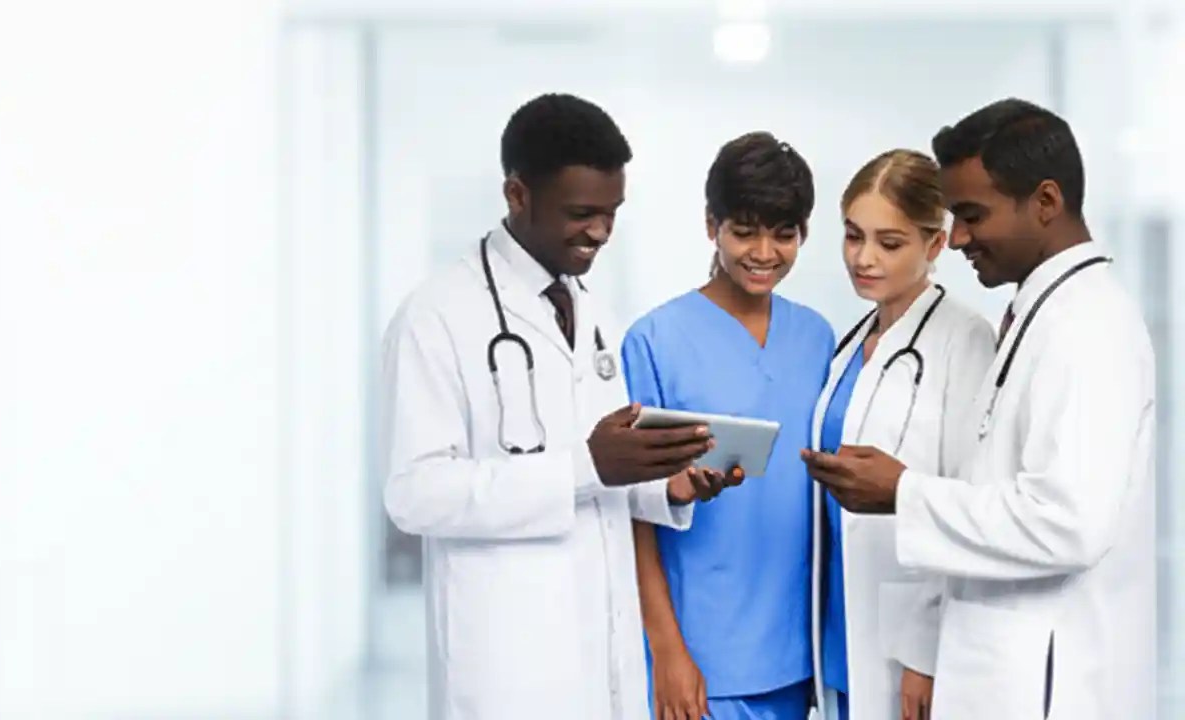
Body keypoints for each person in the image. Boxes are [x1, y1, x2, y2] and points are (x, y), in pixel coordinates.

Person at [381, 93, 743, 720]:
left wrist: (669, 486)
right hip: (508, 663)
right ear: (517, 195)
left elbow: (603, 476)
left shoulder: (590, 310)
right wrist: (585, 465)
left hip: (604, 652)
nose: (600, 231)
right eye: (581, 213)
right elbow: (415, 493)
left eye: (612, 212)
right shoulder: (436, 314)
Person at [802, 98, 1156, 720]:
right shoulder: (1039, 315)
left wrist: (904, 494)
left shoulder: (1089, 327)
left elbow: (1069, 522)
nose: (959, 237)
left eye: (971, 216)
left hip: (1048, 680)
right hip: (995, 664)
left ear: (1045, 203)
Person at [621, 132, 833, 720]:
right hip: (703, 655)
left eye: (784, 234)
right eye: (744, 230)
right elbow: (632, 512)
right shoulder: (656, 340)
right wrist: (667, 651)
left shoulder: (818, 338)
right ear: (711, 224)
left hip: (799, 653)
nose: (764, 252)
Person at [808, 149, 996, 720]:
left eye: (889, 243)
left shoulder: (964, 340)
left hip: (906, 636)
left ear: (935, 245)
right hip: (841, 618)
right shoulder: (853, 343)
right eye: (852, 236)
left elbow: (965, 502)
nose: (863, 259)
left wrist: (925, 655)